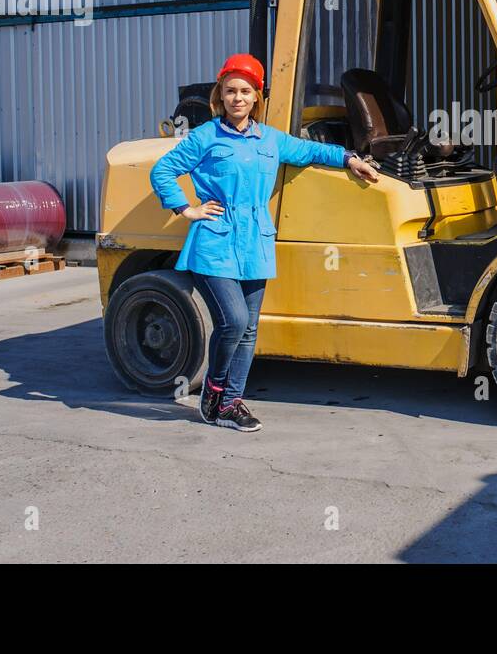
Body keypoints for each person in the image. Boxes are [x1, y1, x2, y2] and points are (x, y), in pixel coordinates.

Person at [149, 53, 380, 431]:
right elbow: (164, 170)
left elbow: (312, 150)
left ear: (257, 96)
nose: (237, 98)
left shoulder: (270, 139)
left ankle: (231, 404)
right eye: (230, 91)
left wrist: (350, 157)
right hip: (215, 242)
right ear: (219, 97)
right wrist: (185, 208)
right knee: (234, 322)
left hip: (256, 241)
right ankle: (214, 390)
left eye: (244, 91)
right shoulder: (205, 137)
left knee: (250, 328)